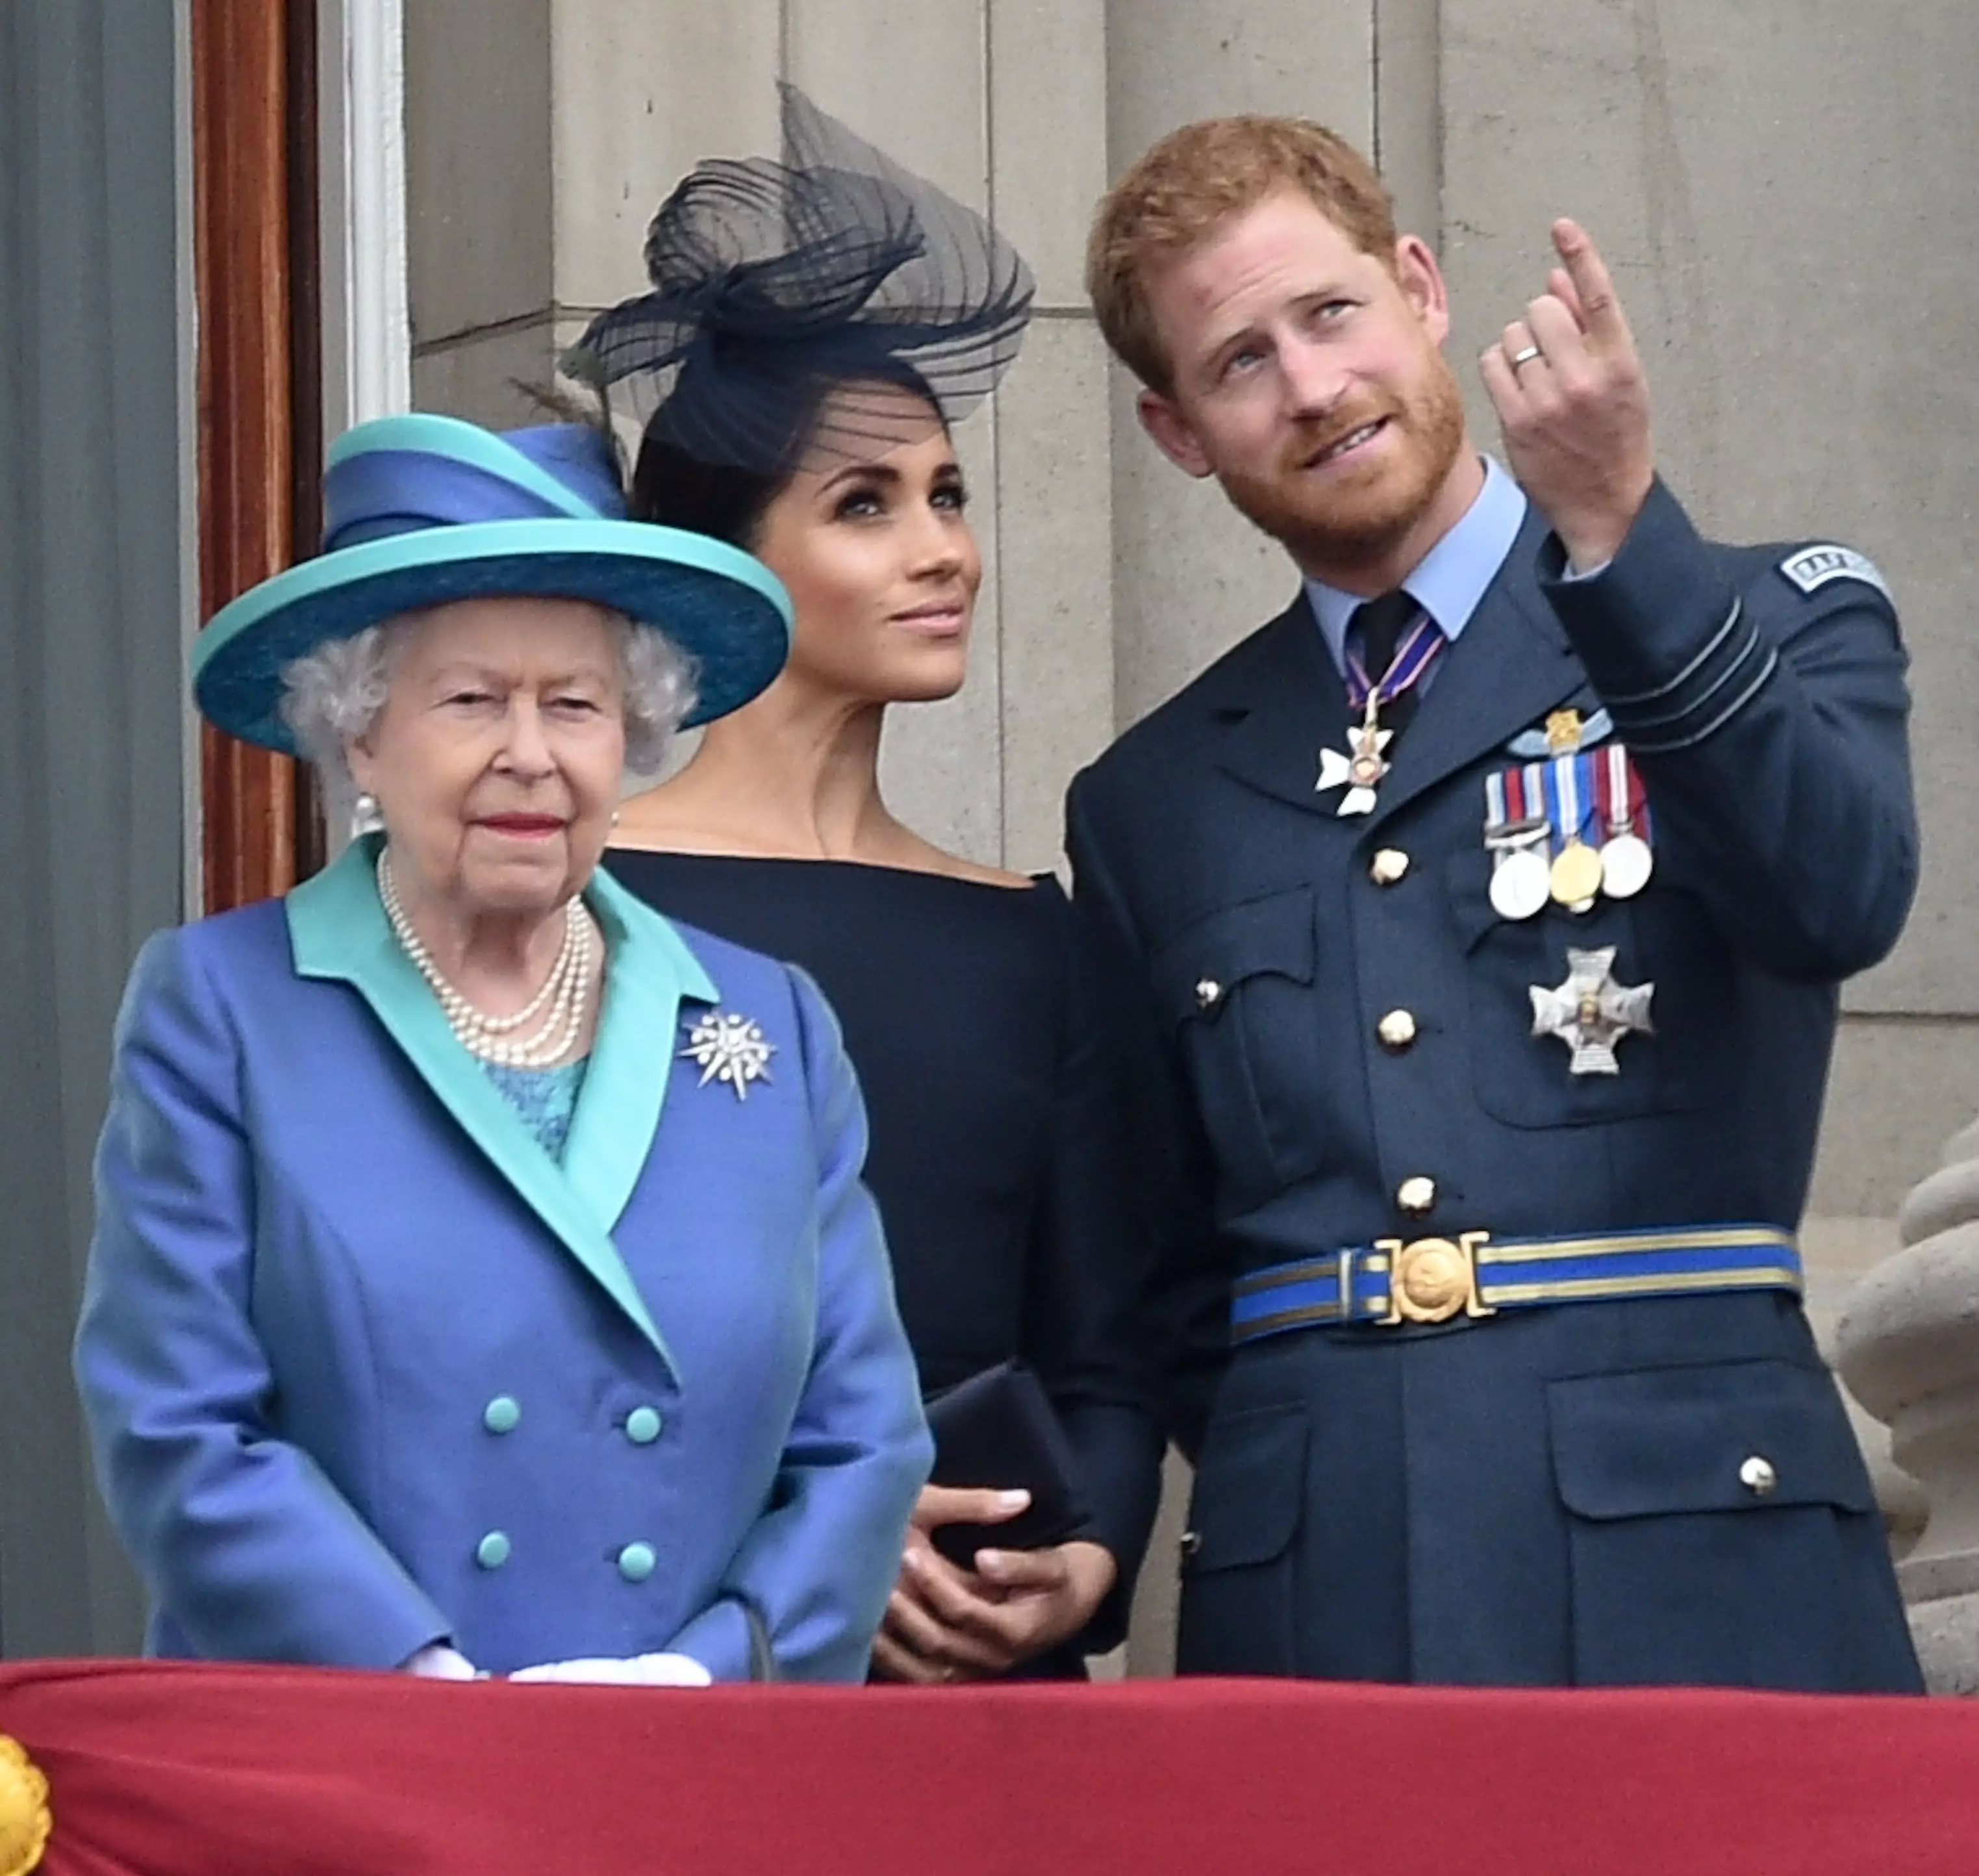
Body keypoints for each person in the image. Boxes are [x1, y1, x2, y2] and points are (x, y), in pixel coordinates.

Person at [1066, 113, 1924, 1690]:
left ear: (1415, 289)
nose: (1312, 386)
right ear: (1177, 431)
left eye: (1328, 314)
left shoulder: (1755, 612)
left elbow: (1835, 898)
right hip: (1320, 1591)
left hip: (1693, 1568)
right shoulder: (1152, 798)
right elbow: (1168, 1266)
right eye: (1238, 360)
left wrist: (1615, 535)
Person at [73, 410, 933, 1684]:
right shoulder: (224, 1009)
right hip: (356, 1762)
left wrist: (702, 1675)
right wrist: (423, 1682)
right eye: (471, 700)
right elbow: (180, 1425)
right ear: (360, 732)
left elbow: (861, 1444)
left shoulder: (774, 1029)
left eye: (575, 704)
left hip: (685, 1771)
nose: (528, 755)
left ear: (629, 737)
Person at [567, 87, 1165, 1683]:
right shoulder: (570, 909)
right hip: (671, 1683)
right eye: (865, 506)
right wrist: (806, 1541)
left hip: (987, 1712)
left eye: (948, 496)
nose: (944, 551)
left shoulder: (1038, 939)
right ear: (728, 568)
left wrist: (1088, 1555)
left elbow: (1109, 1358)